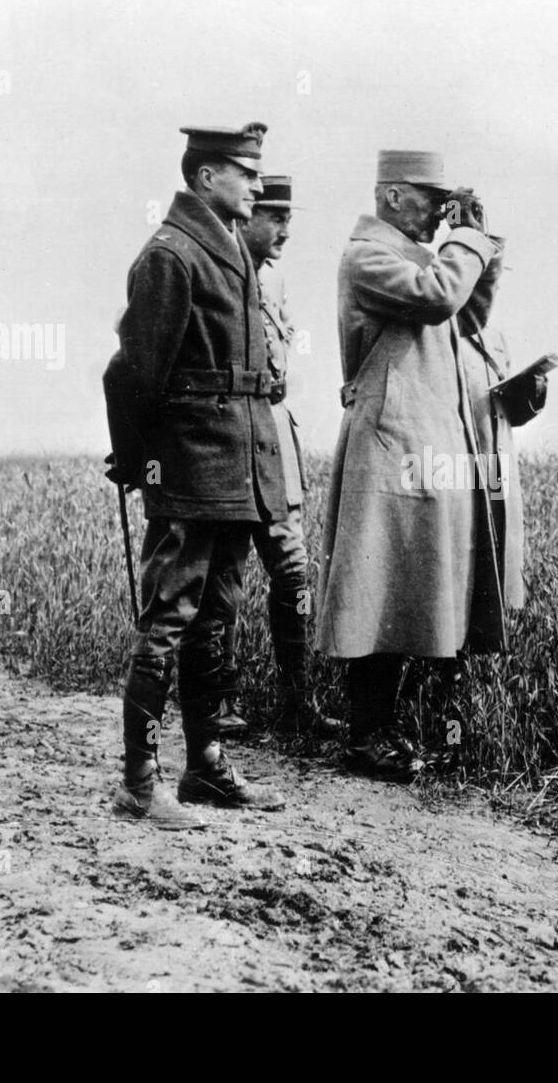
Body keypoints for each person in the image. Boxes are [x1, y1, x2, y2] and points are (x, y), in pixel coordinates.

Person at [315, 150, 536, 780]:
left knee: (419, 585)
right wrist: (465, 240)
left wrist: (480, 247)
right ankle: (365, 738)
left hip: (422, 440)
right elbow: (440, 296)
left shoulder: (415, 257)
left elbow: (468, 313)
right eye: (428, 197)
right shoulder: (368, 257)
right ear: (390, 196)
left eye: (444, 200)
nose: (438, 209)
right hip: (390, 442)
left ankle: (393, 729)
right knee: (376, 586)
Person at [102, 124, 289, 829]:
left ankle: (205, 767)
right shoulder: (171, 254)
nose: (258, 186)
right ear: (206, 177)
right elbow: (132, 372)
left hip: (236, 465)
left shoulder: (232, 247)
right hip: (188, 465)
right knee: (170, 618)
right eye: (246, 172)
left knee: (216, 618)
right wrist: (136, 458)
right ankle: (138, 782)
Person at [227, 175, 343, 738]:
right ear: (245, 215)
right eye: (275, 218)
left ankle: (296, 703)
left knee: (293, 571)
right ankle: (217, 700)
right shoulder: (218, 276)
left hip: (274, 432)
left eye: (289, 219)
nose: (285, 231)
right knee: (220, 575)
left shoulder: (273, 283)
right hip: (228, 437)